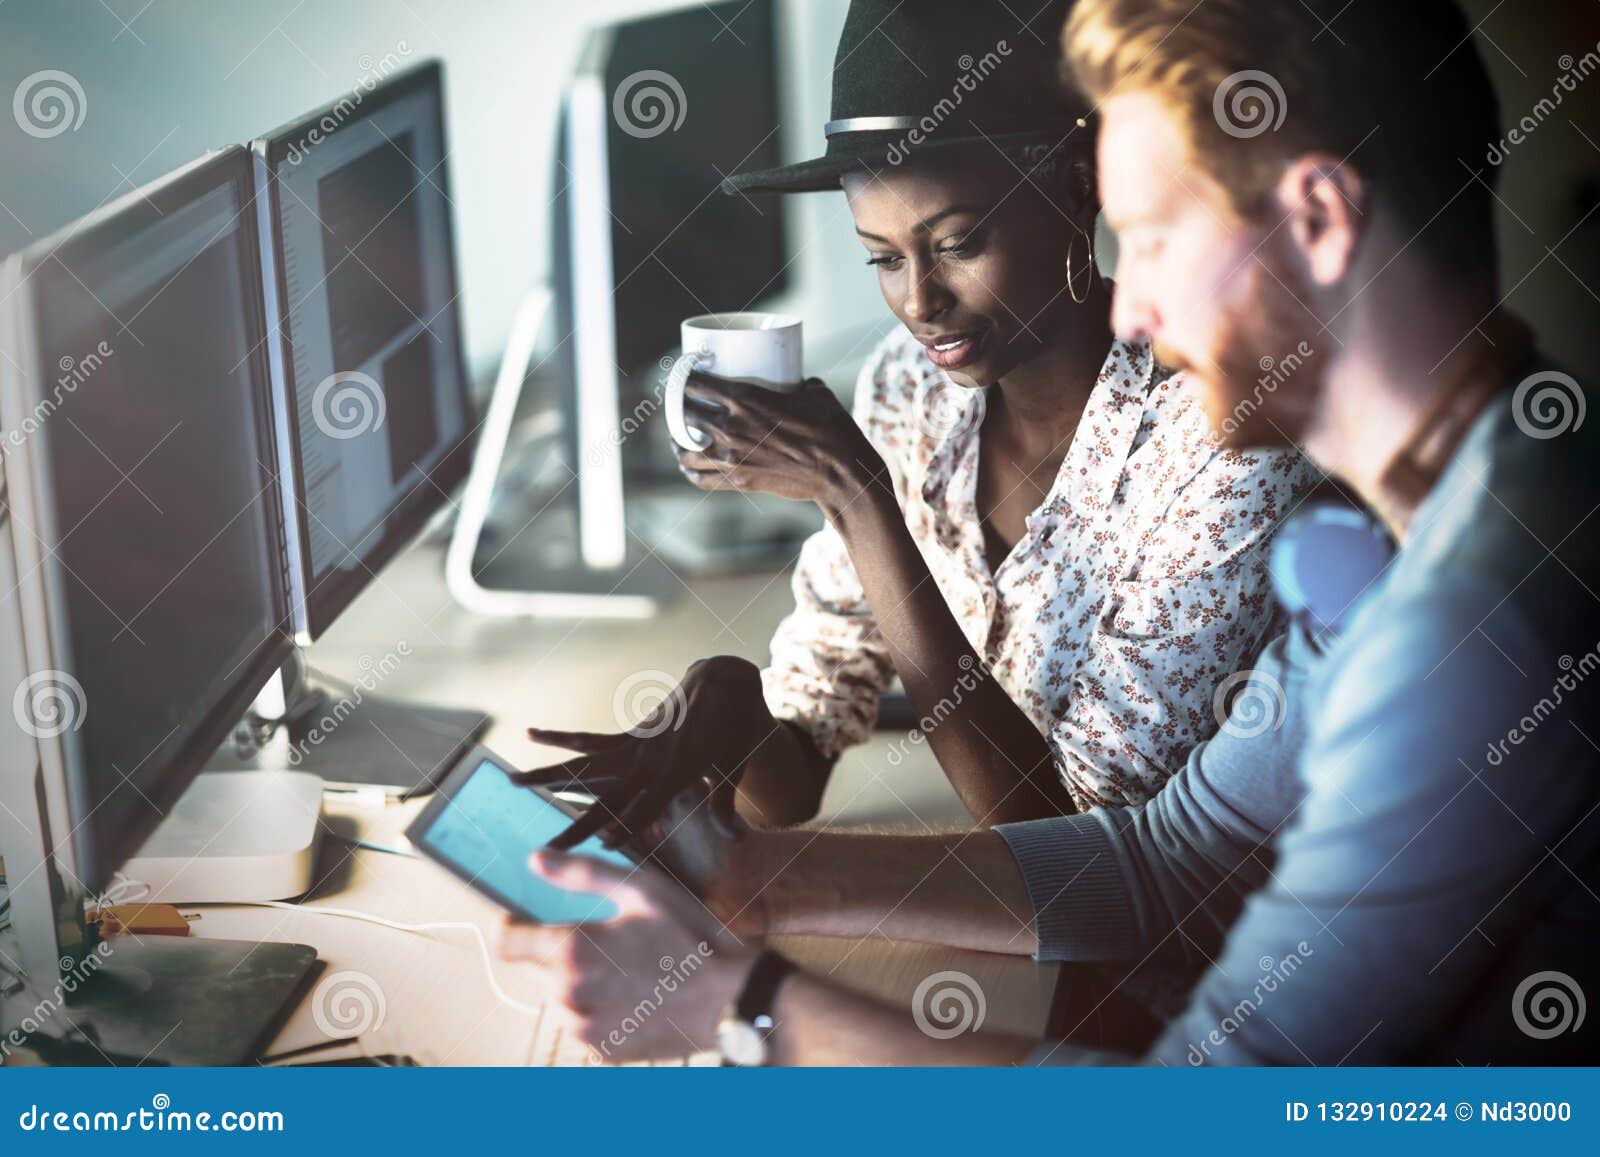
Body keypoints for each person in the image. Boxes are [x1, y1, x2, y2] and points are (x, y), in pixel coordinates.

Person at [501, 0, 1600, 1066]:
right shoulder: (1456, 508)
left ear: (1315, 221)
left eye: (1157, 237)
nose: (1129, 310)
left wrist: (737, 1005)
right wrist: (746, 878)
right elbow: (1170, 857)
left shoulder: (1475, 629)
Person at [527, 0, 1317, 830]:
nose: (919, 302)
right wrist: (730, 704)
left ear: (1078, 189)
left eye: (959, 243)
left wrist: (861, 499)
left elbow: (1080, 851)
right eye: (881, 257)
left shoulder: (1226, 441)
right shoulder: (909, 390)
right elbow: (797, 771)